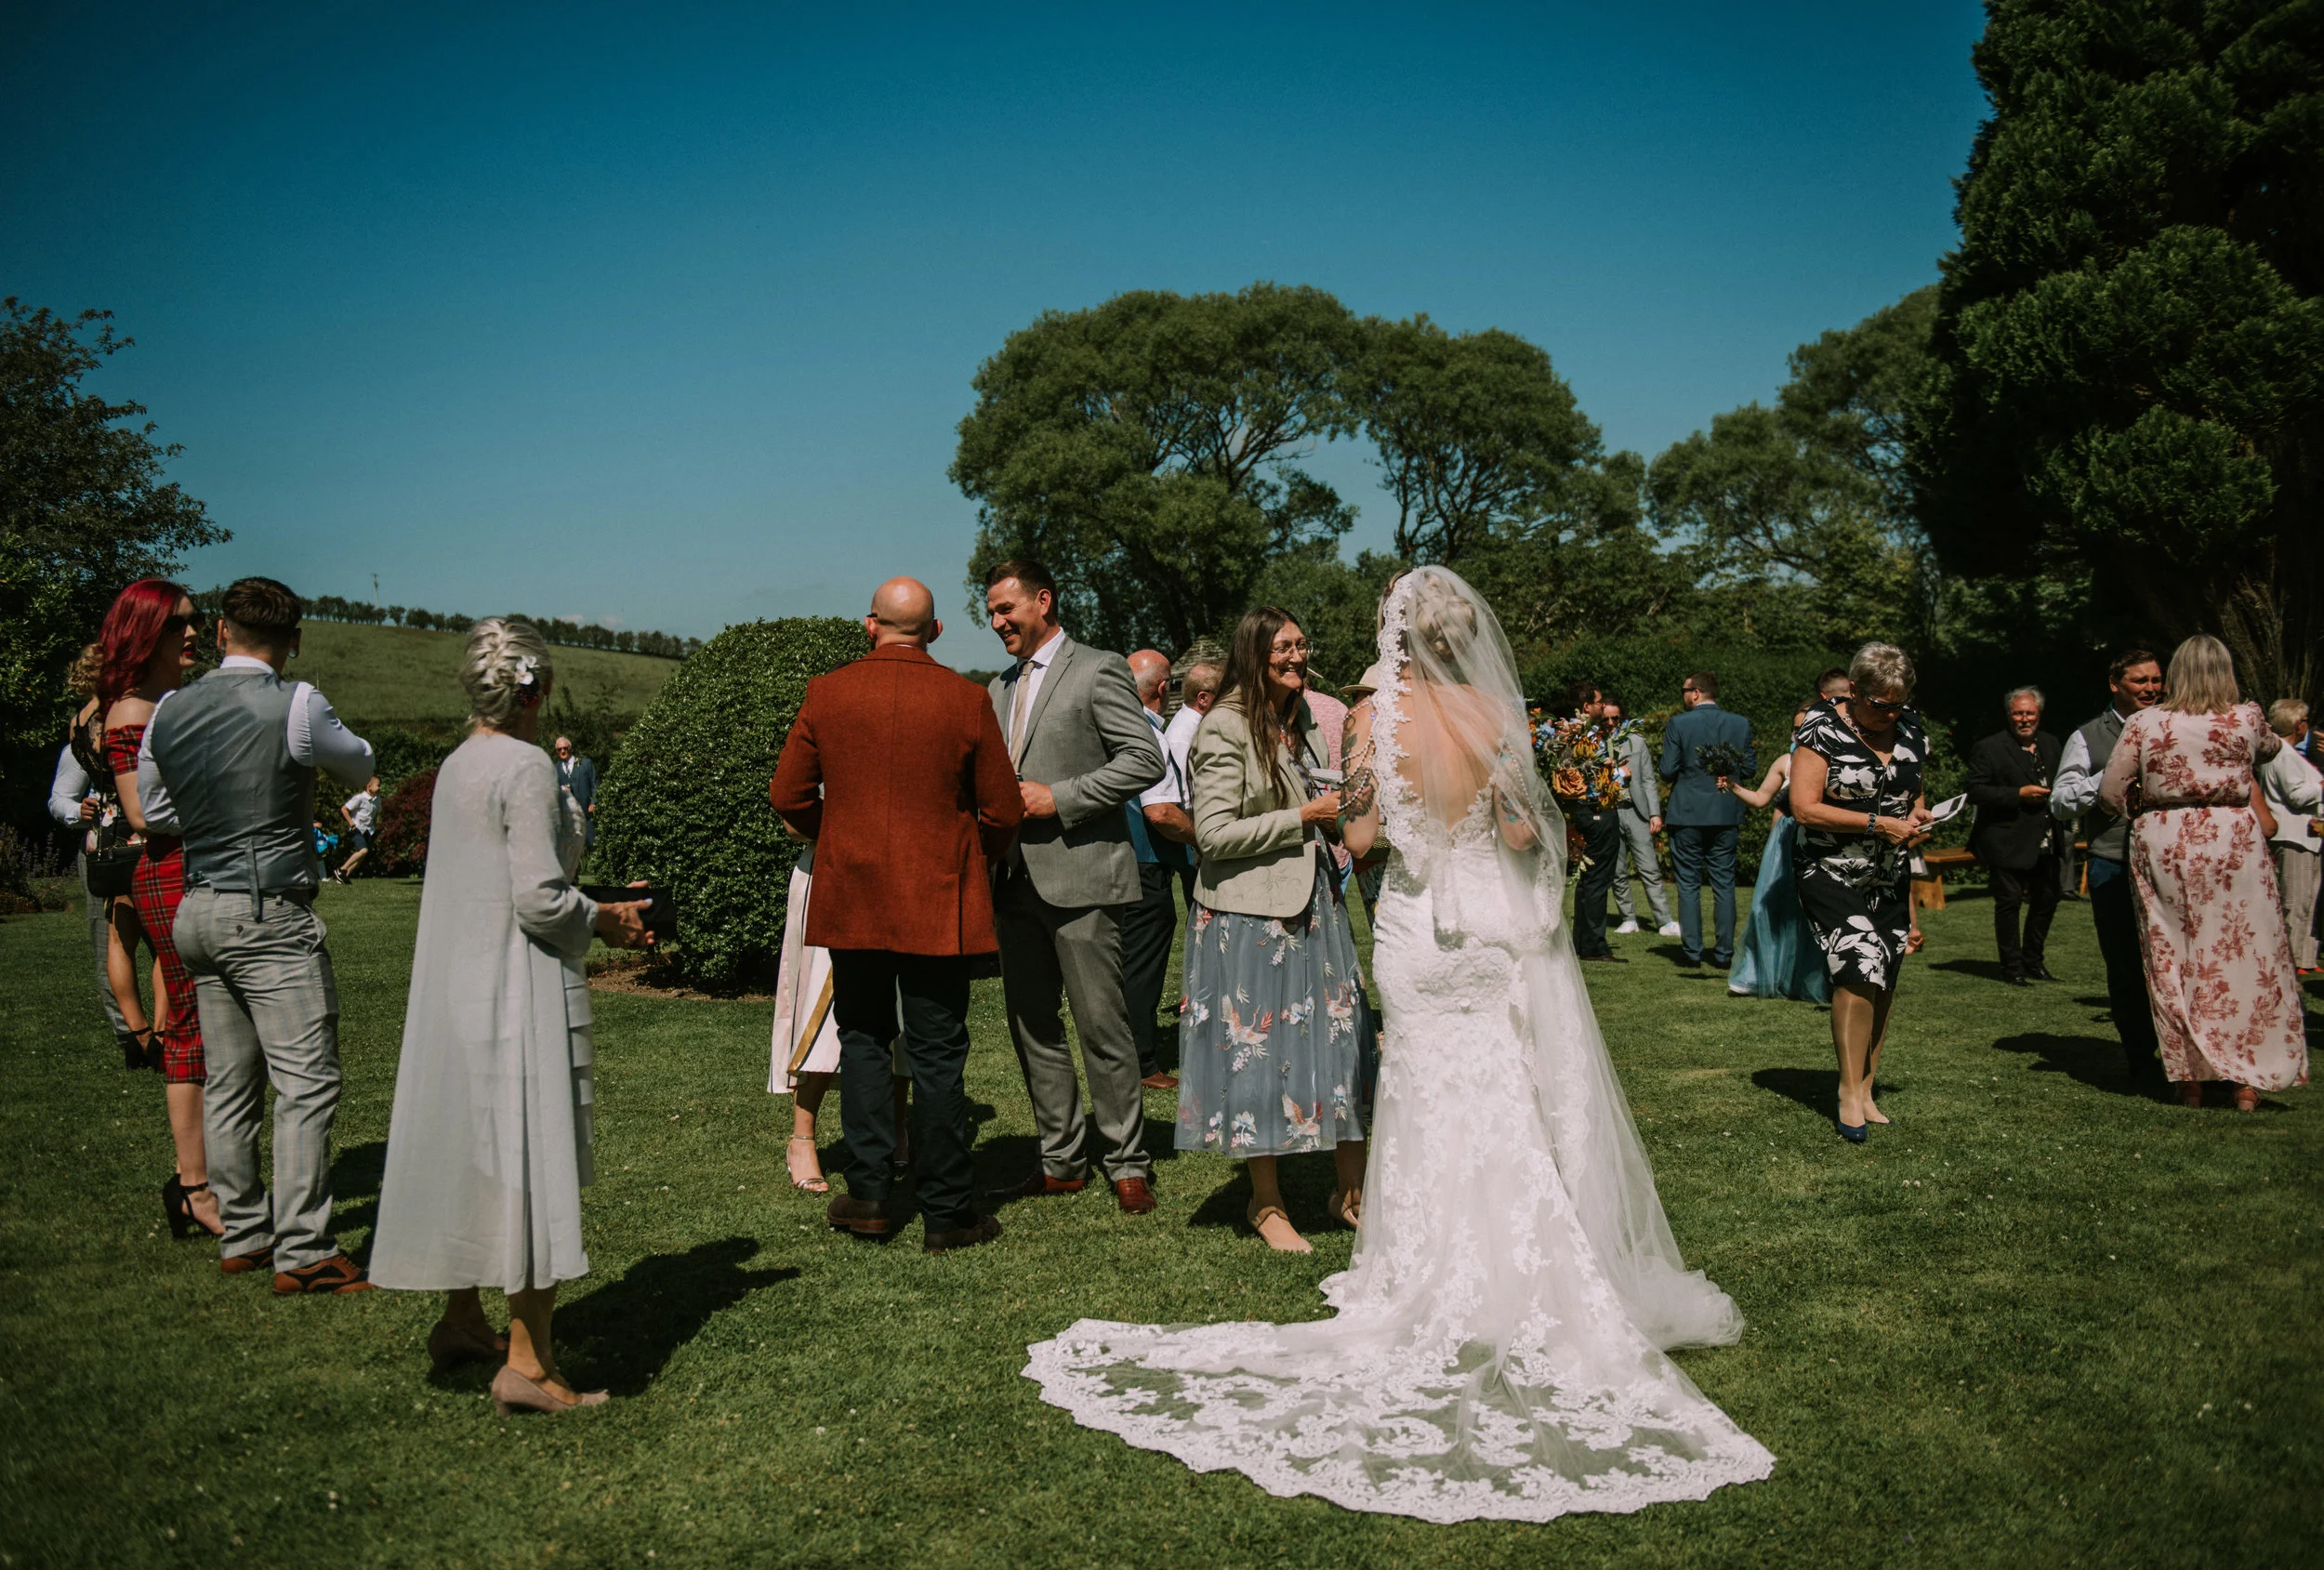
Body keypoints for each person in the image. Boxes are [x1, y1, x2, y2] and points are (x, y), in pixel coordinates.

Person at [1025, 565, 1772, 1521]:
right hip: (1494, 924)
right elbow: (1516, 829)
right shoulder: (1500, 722)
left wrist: (1364, 810)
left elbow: (1368, 836)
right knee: (1503, 1084)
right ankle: (1528, 1257)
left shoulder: (1374, 722)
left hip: (1419, 929)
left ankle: (1420, 1260)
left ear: (1397, 640)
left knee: (1422, 1086)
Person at [370, 618, 654, 1412]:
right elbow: (536, 896)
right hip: (517, 982)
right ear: (541, 687)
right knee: (530, 1153)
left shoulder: (459, 763)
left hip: (463, 977)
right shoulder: (527, 767)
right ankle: (527, 1362)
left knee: (479, 1145)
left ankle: (462, 1318)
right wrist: (607, 919)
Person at [773, 576, 1023, 1249]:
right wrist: (973, 855)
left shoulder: (828, 692)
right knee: (938, 1053)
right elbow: (1003, 809)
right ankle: (946, 1211)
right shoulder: (966, 698)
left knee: (862, 1039)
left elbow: (788, 793)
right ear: (935, 631)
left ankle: (871, 1197)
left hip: (854, 893)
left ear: (869, 625)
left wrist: (840, 834)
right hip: (937, 894)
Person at [149, 577, 377, 1289]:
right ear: (295, 640)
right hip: (267, 910)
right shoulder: (298, 702)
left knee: (231, 1082)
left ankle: (245, 1231)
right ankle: (306, 1249)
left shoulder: (170, 709)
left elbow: (156, 810)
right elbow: (362, 762)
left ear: (221, 632)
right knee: (306, 1082)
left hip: (197, 909)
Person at [1173, 607, 1368, 1253]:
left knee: (1340, 1040)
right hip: (1247, 915)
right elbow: (1214, 835)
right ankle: (1265, 1200)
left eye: (1301, 645)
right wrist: (1303, 815)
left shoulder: (1302, 719)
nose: (1296, 655)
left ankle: (1351, 1191)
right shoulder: (1222, 726)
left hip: (1316, 901)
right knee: (1258, 1056)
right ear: (1253, 652)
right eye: (1283, 646)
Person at [982, 561, 1165, 1214]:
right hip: (1011, 880)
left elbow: (1145, 759)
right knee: (1032, 1025)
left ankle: (1127, 1163)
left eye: (1007, 609)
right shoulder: (997, 687)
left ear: (1044, 600)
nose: (997, 621)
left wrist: (1058, 798)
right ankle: (1060, 1160)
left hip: (1084, 875)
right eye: (991, 612)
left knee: (1102, 1026)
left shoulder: (1098, 667)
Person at [2099, 635, 2307, 1111]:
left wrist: (2142, 804)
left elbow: (2111, 792)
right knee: (2246, 956)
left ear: (2176, 673)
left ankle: (2188, 1081)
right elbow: (2273, 750)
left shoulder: (2144, 722)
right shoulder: (2248, 718)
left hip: (2166, 837)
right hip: (2234, 837)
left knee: (2171, 956)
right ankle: (2245, 1081)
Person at [98, 579, 218, 1238]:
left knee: (209, 1021)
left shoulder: (172, 700)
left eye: (195, 620)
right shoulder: (131, 710)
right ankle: (193, 1187)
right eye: (179, 625)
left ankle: (208, 1177)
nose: (193, 632)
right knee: (192, 1025)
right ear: (146, 633)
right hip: (169, 872)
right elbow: (142, 813)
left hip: (198, 868)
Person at [1789, 643, 1932, 1141]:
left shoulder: (1912, 725)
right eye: (1880, 704)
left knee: (1885, 972)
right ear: (1853, 691)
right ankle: (1848, 1090)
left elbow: (1913, 793)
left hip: (1890, 871)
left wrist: (1918, 818)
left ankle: (1867, 1086)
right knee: (1860, 959)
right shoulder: (1820, 729)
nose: (1890, 713)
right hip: (1828, 868)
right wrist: (1877, 824)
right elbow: (1803, 807)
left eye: (1897, 703)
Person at [2050, 649, 2168, 1084]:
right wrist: (2110, 776)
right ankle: (2141, 1057)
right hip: (2112, 863)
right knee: (2124, 965)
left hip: (2170, 865)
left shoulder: (2174, 726)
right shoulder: (2088, 736)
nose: (2151, 688)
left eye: (2156, 680)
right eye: (2140, 681)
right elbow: (2060, 803)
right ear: (2115, 684)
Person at [766, 839, 910, 1194]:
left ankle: (895, 1125)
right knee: (822, 1012)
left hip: (901, 874)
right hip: (834, 872)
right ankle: (802, 1138)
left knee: (899, 1010)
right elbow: (792, 807)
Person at [48, 644, 144, 1069]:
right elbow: (59, 798)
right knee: (116, 940)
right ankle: (136, 1036)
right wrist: (76, 810)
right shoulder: (121, 719)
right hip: (124, 841)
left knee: (118, 943)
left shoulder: (82, 723)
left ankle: (143, 1035)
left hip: (110, 840)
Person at [1118, 649, 1192, 1090]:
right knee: (1142, 968)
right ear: (1164, 689)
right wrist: (1203, 836)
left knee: (1123, 964)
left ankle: (1124, 1055)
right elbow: (1161, 813)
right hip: (1147, 864)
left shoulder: (1112, 729)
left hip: (1114, 861)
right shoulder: (1151, 735)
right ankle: (1142, 1063)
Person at [1724, 706, 1830, 1003]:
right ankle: (1756, 975)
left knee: (1808, 911)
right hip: (1783, 842)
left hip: (1814, 841)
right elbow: (1760, 799)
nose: (1799, 733)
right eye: (1796, 728)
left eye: (1805, 727)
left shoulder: (1831, 761)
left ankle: (1808, 979)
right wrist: (1732, 786)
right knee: (1767, 908)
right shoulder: (1785, 761)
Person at [1966, 687, 2066, 985]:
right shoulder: (1990, 747)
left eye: (2030, 713)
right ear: (2009, 715)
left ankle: (2034, 961)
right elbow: (1975, 790)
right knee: (2009, 903)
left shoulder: (2051, 744)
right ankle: (2012, 967)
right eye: (2019, 713)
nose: (2025, 719)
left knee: (2048, 897)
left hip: (2047, 837)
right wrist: (2017, 794)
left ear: (2039, 714)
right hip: (2006, 839)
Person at [1659, 670, 1756, 969]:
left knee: (1688, 884)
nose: (1684, 696)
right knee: (1724, 884)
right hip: (1726, 810)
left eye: (1684, 691)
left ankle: (1692, 953)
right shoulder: (1740, 724)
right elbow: (1750, 768)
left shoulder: (1678, 724)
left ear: (1697, 692)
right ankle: (1724, 955)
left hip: (1686, 812)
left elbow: (1666, 770)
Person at [1551, 681, 1628, 962]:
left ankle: (1582, 941)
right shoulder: (1585, 737)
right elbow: (1593, 775)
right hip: (1596, 809)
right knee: (1597, 879)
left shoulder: (1563, 733)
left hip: (1577, 811)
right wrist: (1619, 773)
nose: (1601, 706)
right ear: (1586, 707)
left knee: (1586, 880)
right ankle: (1595, 944)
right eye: (1597, 702)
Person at [1603, 697, 1678, 937]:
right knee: (1617, 870)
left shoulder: (1636, 742)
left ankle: (1664, 921)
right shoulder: (1596, 745)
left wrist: (1655, 813)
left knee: (1649, 868)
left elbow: (1647, 780)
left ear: (1622, 717)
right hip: (1610, 812)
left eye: (1615, 718)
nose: (1611, 723)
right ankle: (1628, 918)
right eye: (1606, 719)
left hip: (1637, 812)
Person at [2262, 700, 2321, 973]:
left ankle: (2306, 958)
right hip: (2293, 836)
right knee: (2295, 900)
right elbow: (2297, 796)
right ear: (2299, 724)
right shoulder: (2282, 755)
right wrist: (2322, 784)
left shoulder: (2288, 754)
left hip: (2308, 837)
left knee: (2309, 899)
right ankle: (2292, 959)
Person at [333, 774, 381, 883]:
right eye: (378, 785)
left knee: (363, 855)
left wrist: (374, 826)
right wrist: (351, 823)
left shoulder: (378, 800)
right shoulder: (360, 798)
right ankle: (341, 870)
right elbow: (344, 809)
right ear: (369, 787)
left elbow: (376, 814)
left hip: (369, 830)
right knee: (363, 850)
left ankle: (344, 877)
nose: (380, 788)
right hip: (357, 829)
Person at [552, 735, 598, 846]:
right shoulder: (555, 769)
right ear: (557, 752)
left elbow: (595, 785)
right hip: (568, 820)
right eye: (559, 749)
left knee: (594, 846)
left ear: (570, 748)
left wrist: (594, 803)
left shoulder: (586, 764)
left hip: (587, 815)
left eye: (565, 748)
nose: (563, 751)